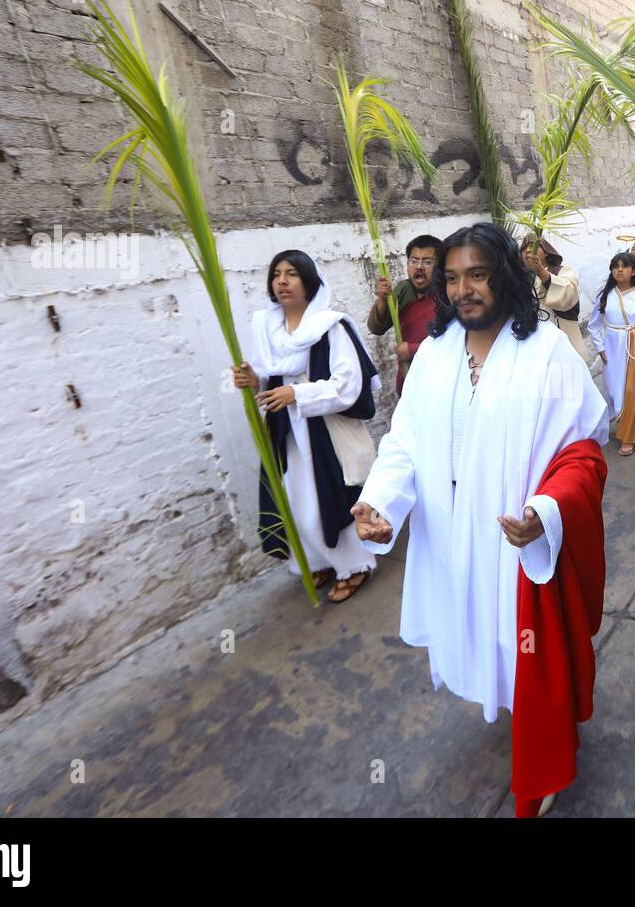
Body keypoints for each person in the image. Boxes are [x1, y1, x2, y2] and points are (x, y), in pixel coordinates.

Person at [350, 222, 609, 818]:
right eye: (452, 278)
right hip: (452, 533)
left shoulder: (545, 351)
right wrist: (381, 503)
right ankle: (517, 714)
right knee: (486, 643)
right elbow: (405, 441)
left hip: (514, 538)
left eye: (477, 275)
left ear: (505, 277)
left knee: (527, 651)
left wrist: (544, 514)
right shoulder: (437, 355)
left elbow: (583, 454)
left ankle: (541, 764)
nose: (464, 289)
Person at [233, 250, 381, 603]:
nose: (282, 281)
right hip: (289, 432)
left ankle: (355, 565)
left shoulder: (330, 326)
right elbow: (268, 378)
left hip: (324, 429)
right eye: (276, 274)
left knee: (331, 498)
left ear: (309, 281)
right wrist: (253, 379)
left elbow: (348, 384)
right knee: (297, 498)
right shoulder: (266, 328)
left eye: (292, 274)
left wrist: (297, 393)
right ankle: (318, 559)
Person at [588, 251, 635, 456]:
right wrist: (600, 347)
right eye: (616, 266)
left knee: (632, 390)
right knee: (615, 391)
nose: (620, 270)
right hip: (612, 345)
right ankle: (622, 421)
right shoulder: (605, 296)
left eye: (624, 266)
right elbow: (594, 325)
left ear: (633, 271)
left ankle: (629, 435)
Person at [366, 234, 442, 395]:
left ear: (439, 266)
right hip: (410, 377)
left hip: (439, 377)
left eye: (427, 262)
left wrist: (414, 350)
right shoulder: (404, 290)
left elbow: (454, 343)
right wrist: (381, 299)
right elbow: (376, 328)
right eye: (413, 261)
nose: (419, 267)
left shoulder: (446, 295)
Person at [521, 234, 588, 359]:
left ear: (546, 252)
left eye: (533, 245)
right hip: (535, 348)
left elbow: (568, 294)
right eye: (524, 248)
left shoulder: (563, 271)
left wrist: (540, 271)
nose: (528, 250)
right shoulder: (521, 280)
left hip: (565, 343)